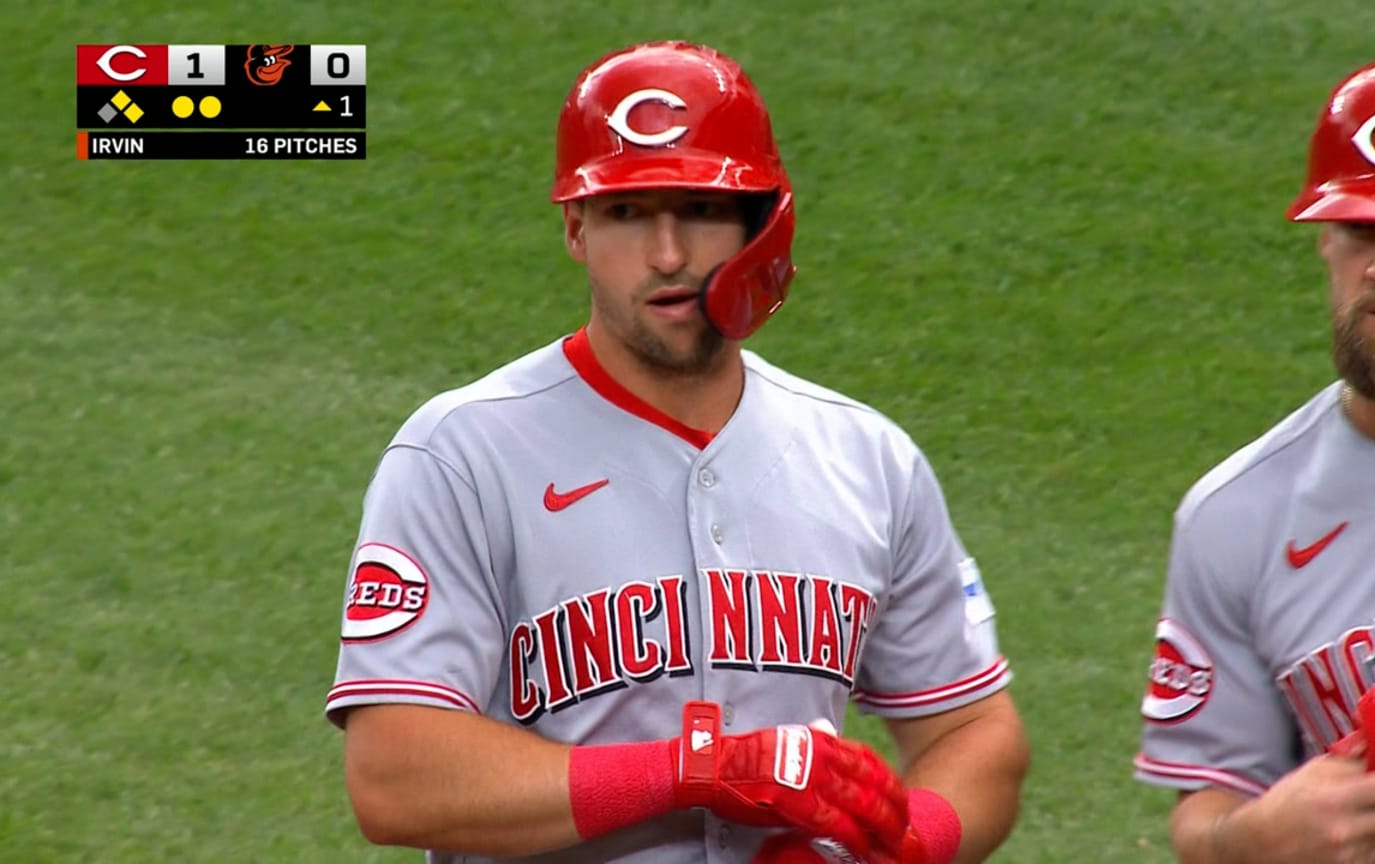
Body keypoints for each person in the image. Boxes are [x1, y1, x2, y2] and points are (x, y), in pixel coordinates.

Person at [325, 40, 1028, 864]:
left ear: (760, 225)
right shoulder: (462, 455)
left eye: (699, 210)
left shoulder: (867, 458)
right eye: (627, 213)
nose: (667, 255)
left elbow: (976, 733)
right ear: (576, 229)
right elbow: (395, 777)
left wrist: (895, 849)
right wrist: (692, 771)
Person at [1133, 54, 1375, 863]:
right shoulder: (1235, 517)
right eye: (1361, 231)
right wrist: (1255, 841)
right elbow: (1207, 813)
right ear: (1325, 239)